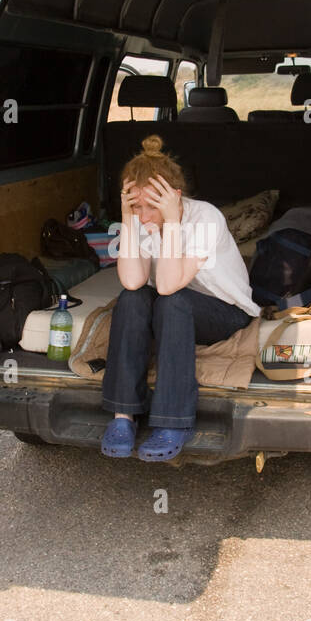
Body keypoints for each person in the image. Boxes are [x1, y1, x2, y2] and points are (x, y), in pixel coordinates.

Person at [100, 135, 261, 461]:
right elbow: (133, 280)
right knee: (130, 299)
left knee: (172, 301)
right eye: (136, 205)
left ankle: (173, 421)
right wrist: (128, 218)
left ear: (174, 196)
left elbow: (170, 284)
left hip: (223, 309)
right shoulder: (141, 220)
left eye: (150, 206)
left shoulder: (205, 218)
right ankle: (123, 417)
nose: (144, 215)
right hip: (171, 305)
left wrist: (171, 221)